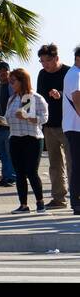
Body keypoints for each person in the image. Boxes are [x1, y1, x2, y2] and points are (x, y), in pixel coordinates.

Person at [4, 68, 48, 213]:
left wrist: (28, 118)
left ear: (22, 81)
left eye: (13, 81)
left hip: (32, 139)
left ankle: (40, 202)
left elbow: (44, 118)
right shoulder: (12, 99)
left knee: (31, 171)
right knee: (19, 173)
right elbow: (8, 120)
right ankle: (23, 205)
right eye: (10, 81)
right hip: (15, 138)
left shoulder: (34, 97)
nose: (11, 84)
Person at [36, 43, 71, 209]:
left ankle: (76, 197)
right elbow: (39, 98)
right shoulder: (42, 74)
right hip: (49, 127)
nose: (44, 64)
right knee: (55, 165)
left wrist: (61, 95)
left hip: (68, 126)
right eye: (41, 61)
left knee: (73, 163)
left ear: (56, 58)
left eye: (47, 61)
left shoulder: (69, 72)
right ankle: (59, 199)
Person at [0, 60, 17, 188]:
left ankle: (10, 177)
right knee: (0, 152)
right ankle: (6, 176)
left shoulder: (12, 87)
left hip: (9, 126)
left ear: (9, 71)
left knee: (10, 152)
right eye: (0, 70)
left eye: (5, 70)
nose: (2, 73)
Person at [66, 46, 80, 215]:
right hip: (76, 127)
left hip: (74, 126)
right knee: (77, 165)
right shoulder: (75, 74)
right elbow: (77, 99)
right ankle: (76, 202)